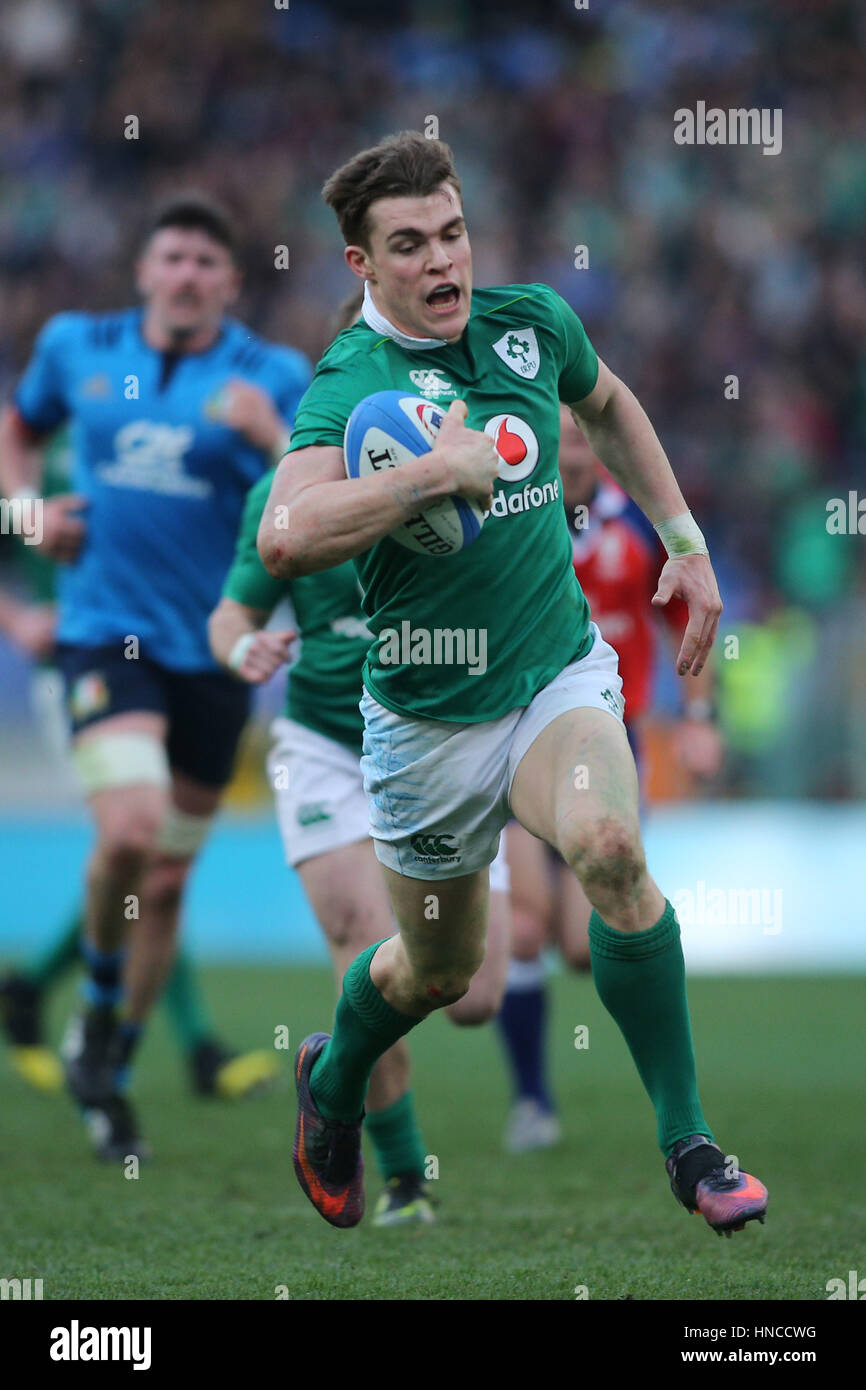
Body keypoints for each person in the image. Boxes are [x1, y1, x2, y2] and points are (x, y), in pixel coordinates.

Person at [258, 131, 768, 1236]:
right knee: (441, 976)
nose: (442, 263)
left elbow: (612, 405)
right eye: (409, 245)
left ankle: (687, 1145)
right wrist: (433, 474)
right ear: (360, 265)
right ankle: (332, 1075)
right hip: (424, 723)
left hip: (552, 679)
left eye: (452, 233)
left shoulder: (530, 323)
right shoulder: (351, 382)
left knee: (611, 851)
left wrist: (682, 538)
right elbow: (287, 533)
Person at [0, 195, 310, 1158]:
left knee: (168, 882)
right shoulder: (74, 347)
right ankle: (93, 1014)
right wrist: (23, 515)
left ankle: (111, 1071)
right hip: (103, 637)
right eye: (170, 256)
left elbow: (318, 493)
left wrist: (270, 441)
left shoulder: (275, 375)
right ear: (143, 270)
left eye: (205, 263)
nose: (186, 274)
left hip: (215, 649)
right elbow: (15, 435)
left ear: (231, 283)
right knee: (130, 833)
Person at [209, 461, 510, 1225]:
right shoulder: (282, 495)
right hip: (326, 748)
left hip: (446, 741)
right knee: (360, 936)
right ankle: (405, 1178)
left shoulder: (469, 468)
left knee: (470, 993)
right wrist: (243, 650)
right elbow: (231, 613)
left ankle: (333, 1074)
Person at [0, 436, 279, 1102]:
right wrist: (16, 617)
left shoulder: (170, 426)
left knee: (149, 857)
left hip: (167, 670)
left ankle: (33, 988)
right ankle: (191, 1045)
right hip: (77, 671)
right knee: (141, 845)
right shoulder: (42, 438)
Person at [498, 407, 723, 1152]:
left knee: (576, 943)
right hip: (517, 732)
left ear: (596, 446)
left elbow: (688, 614)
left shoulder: (635, 528)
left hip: (607, 735)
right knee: (525, 926)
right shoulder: (513, 519)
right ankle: (532, 1100)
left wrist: (698, 717)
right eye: (553, 439)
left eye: (577, 438)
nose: (567, 453)